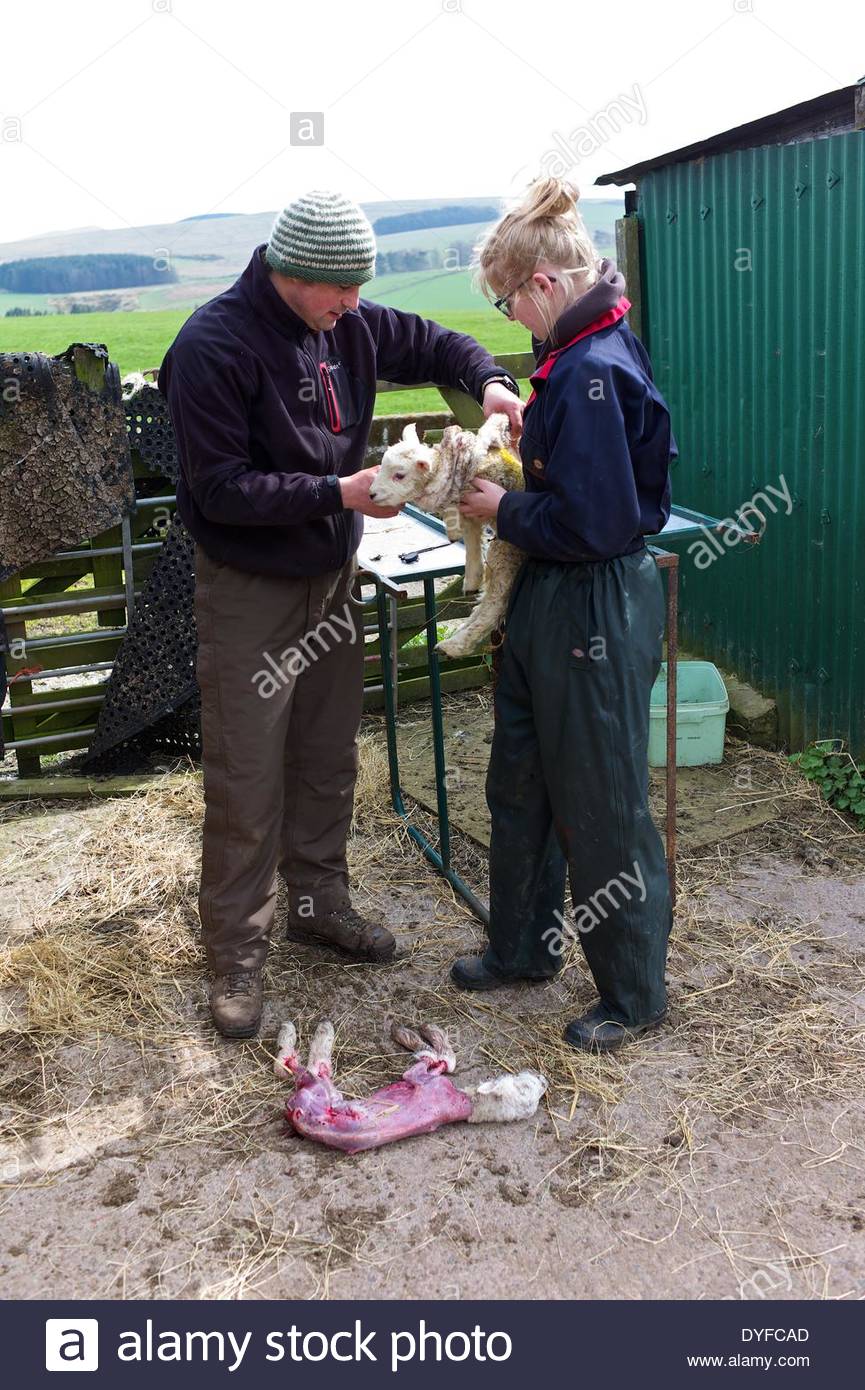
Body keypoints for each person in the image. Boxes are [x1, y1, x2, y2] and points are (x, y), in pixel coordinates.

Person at [159, 190, 521, 1039]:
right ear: (293, 272)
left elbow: (439, 342)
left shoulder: (345, 322)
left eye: (361, 289)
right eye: (341, 289)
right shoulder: (212, 345)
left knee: (326, 759)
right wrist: (337, 491)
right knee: (247, 778)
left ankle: (318, 906)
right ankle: (236, 956)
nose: (356, 307)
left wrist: (493, 385)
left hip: (330, 577)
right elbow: (218, 488)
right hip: (251, 586)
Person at [450, 177, 676, 1053]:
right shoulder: (576, 353)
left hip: (593, 596)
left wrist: (495, 508)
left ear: (543, 284)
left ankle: (630, 993)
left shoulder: (591, 368)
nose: (510, 319)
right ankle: (521, 948)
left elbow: (598, 522)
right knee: (520, 782)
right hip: (549, 594)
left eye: (509, 302)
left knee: (601, 804)